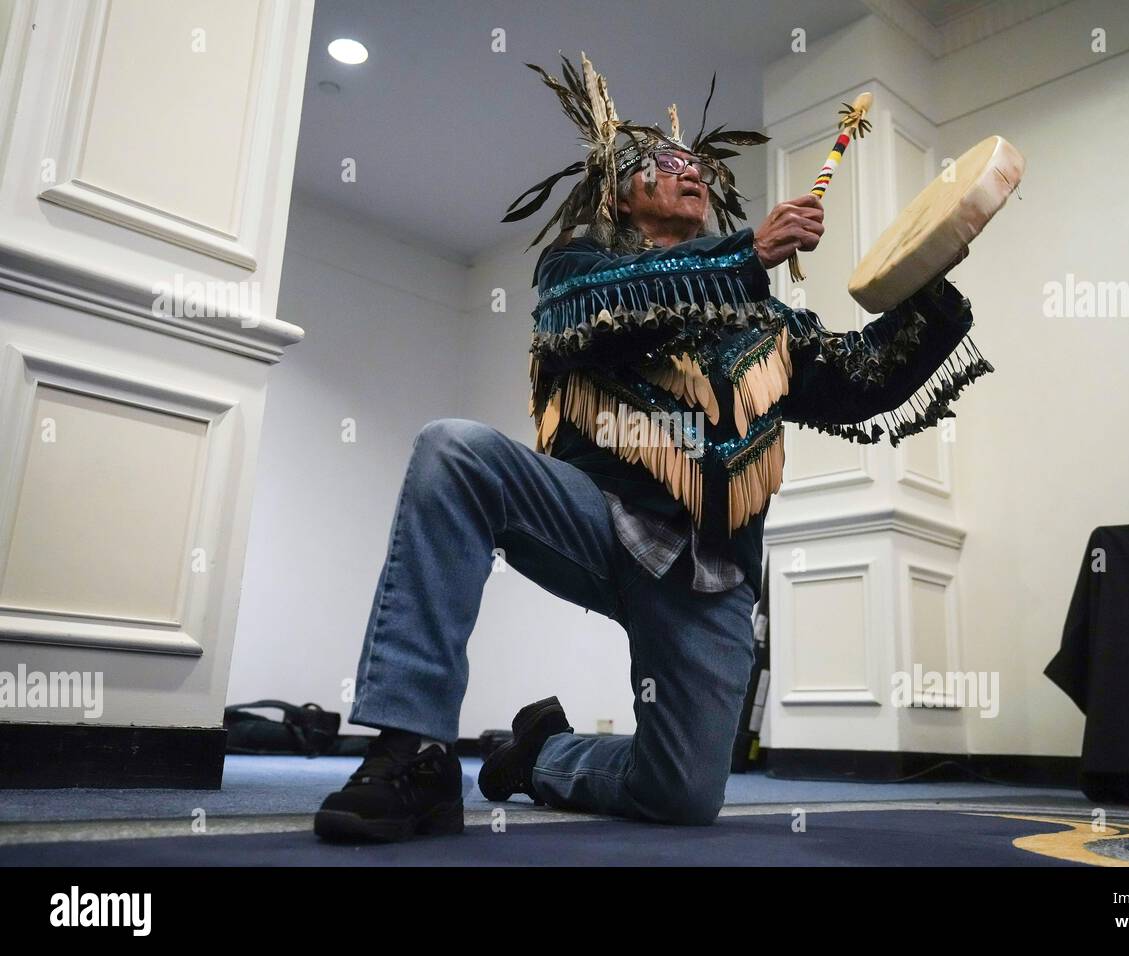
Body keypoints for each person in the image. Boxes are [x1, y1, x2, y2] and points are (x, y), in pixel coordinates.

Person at [313, 54, 992, 843]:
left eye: (697, 165)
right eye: (664, 163)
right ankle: (413, 749)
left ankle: (541, 755)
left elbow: (864, 377)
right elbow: (588, 309)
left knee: (683, 795)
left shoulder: (767, 325)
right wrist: (744, 256)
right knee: (454, 451)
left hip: (709, 571)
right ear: (618, 192)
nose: (688, 169)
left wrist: (934, 260)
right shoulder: (578, 267)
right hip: (594, 520)